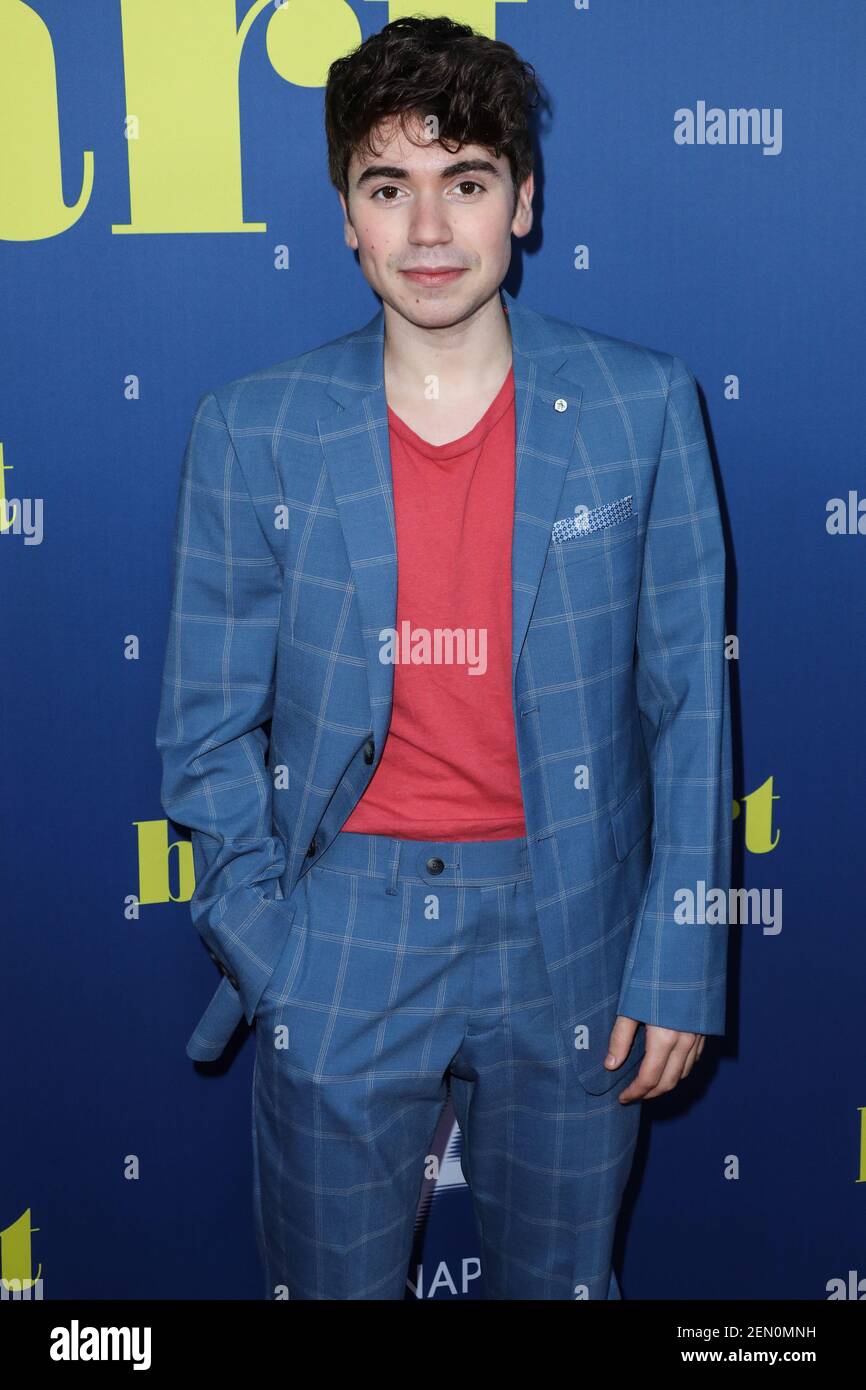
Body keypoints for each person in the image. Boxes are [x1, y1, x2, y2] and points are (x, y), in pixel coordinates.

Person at [156, 15, 732, 1301]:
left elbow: (688, 707)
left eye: (464, 181)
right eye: (387, 187)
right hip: (342, 927)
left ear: (522, 203)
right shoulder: (251, 430)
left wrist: (676, 955)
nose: (427, 230)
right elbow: (202, 731)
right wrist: (268, 943)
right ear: (345, 216)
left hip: (569, 923)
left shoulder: (642, 408)